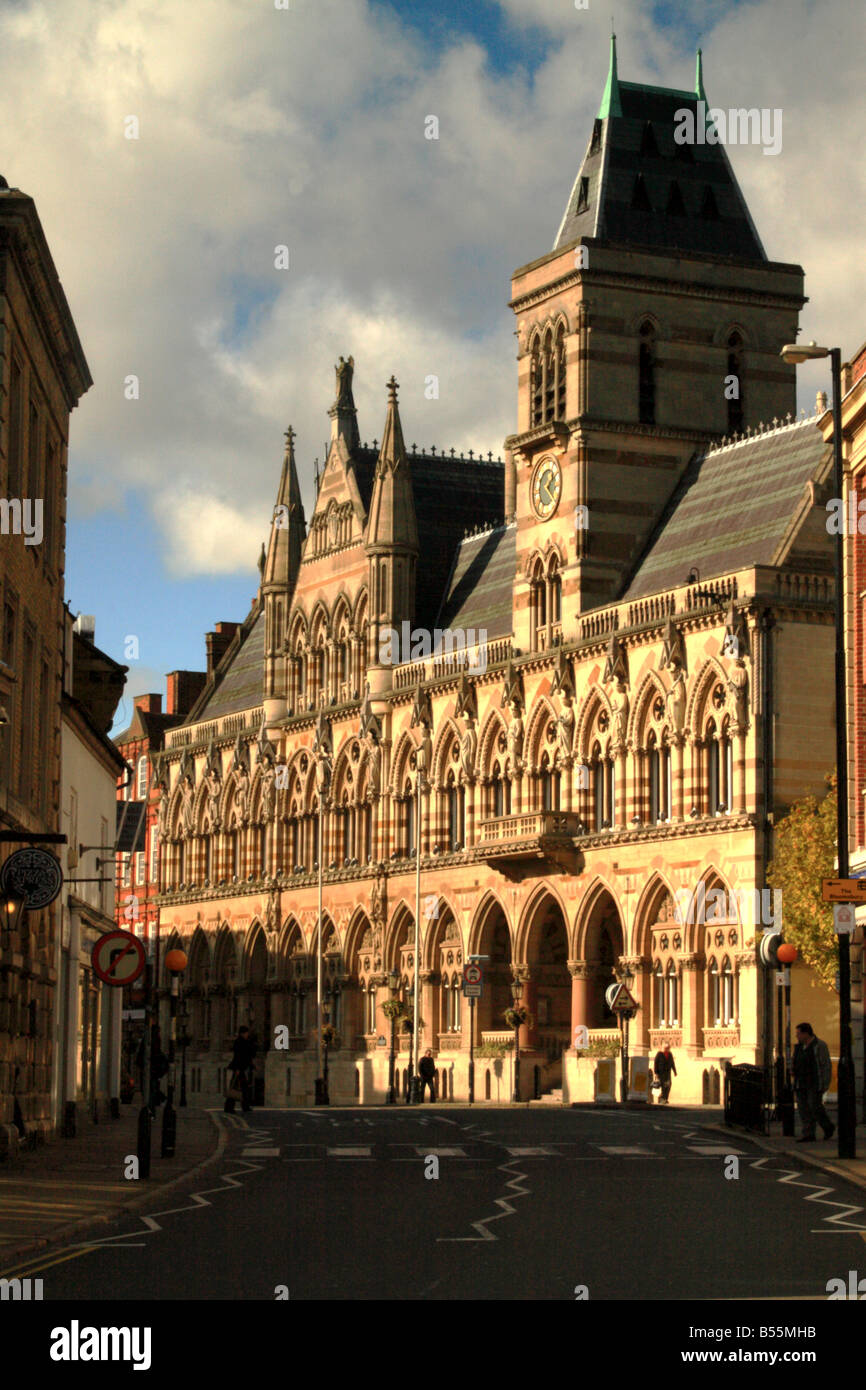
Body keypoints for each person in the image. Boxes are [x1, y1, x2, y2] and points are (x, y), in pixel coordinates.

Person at [792, 1022, 834, 1142]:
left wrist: (825, 1083)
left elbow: (825, 1065)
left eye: (798, 1033)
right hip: (801, 1082)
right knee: (803, 1108)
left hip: (814, 1082)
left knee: (815, 1106)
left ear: (806, 1033)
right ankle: (808, 1133)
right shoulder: (799, 1047)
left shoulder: (819, 1046)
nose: (797, 1036)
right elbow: (796, 1062)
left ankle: (828, 1126)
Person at [225, 1025, 257, 1113]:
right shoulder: (239, 1042)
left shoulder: (244, 1041)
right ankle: (231, 1107)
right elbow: (239, 1056)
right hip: (239, 1069)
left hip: (241, 1068)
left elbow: (248, 1055)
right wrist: (238, 1069)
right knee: (236, 1088)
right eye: (246, 1033)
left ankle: (241, 1106)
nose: (247, 1034)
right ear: (243, 1033)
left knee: (241, 1088)